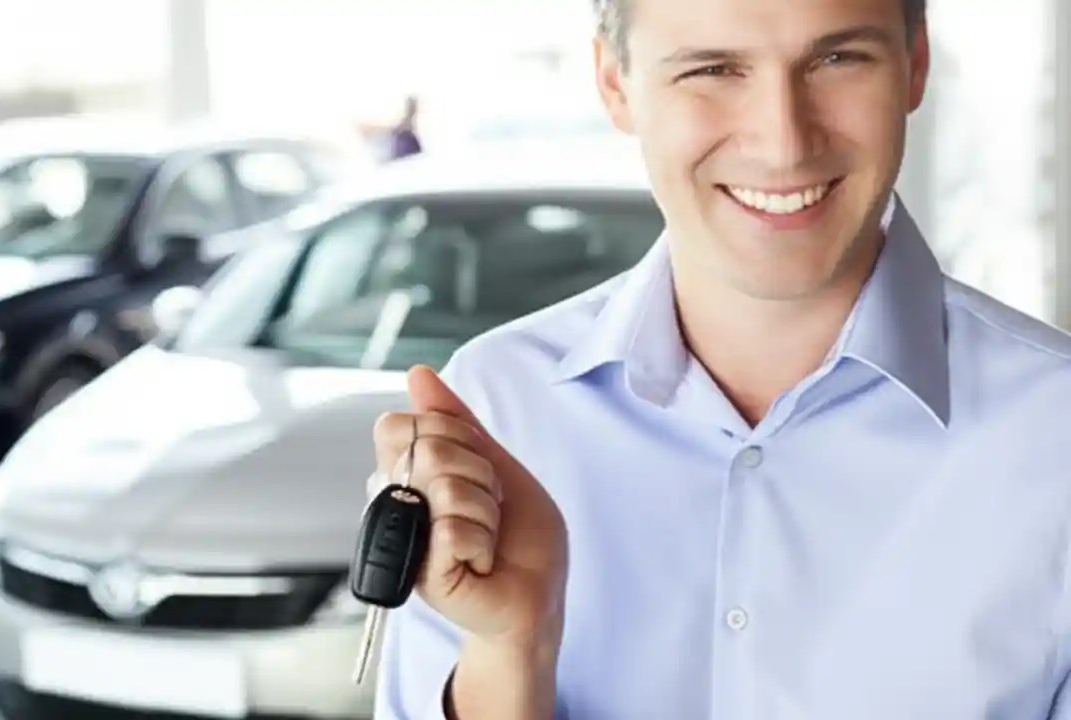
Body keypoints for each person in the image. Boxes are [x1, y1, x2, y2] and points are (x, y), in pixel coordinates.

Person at [369, 0, 1071, 718]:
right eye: (712, 68)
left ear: (915, 63)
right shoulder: (498, 411)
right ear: (616, 83)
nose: (784, 143)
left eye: (836, 59)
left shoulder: (1058, 432)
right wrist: (512, 652)